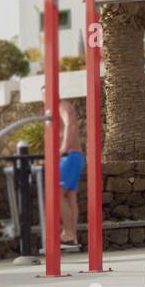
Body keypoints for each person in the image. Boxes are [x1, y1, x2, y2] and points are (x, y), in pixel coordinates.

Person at [58, 100, 85, 250]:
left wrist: (63, 147)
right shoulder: (55, 108)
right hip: (73, 157)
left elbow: (70, 123)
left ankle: (67, 233)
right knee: (70, 197)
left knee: (56, 193)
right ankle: (72, 237)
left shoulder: (61, 105)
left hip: (69, 156)